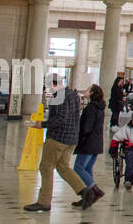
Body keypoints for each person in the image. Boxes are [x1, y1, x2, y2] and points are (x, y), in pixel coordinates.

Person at [24, 75, 98, 212]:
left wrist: (42, 124)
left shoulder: (59, 96)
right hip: (71, 138)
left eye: (48, 85)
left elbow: (60, 118)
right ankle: (85, 191)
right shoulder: (72, 95)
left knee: (46, 167)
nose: (48, 88)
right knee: (63, 167)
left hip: (58, 138)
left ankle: (44, 202)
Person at [71, 84, 106, 206]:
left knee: (79, 167)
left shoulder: (91, 108)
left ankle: (94, 190)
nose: (85, 90)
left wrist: (79, 137)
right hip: (96, 142)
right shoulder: (100, 107)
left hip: (88, 142)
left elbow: (87, 127)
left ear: (91, 93)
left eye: (87, 89)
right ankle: (88, 196)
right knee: (87, 169)